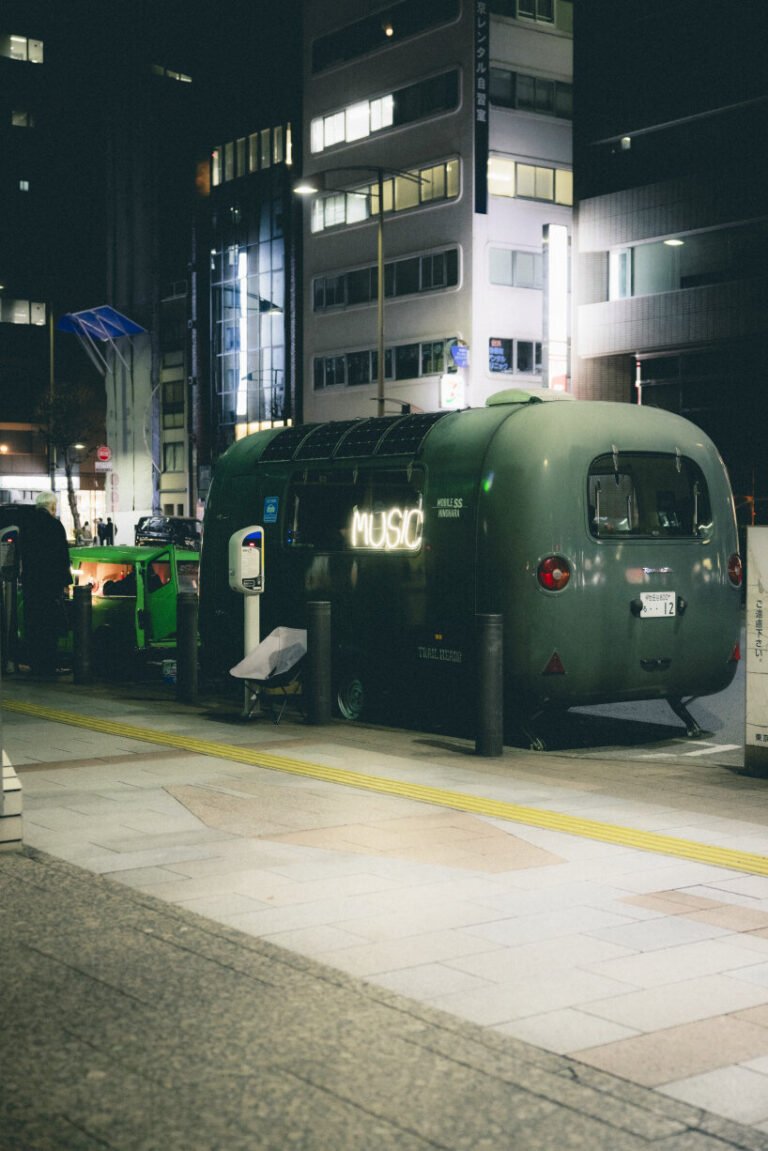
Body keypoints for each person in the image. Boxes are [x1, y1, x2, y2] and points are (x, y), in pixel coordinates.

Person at [20, 492, 72, 677]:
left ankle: (36, 665)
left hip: (31, 584)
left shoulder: (27, 524)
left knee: (33, 623)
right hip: (50, 585)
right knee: (49, 625)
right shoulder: (54, 525)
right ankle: (48, 666)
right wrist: (66, 582)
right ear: (51, 506)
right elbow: (62, 556)